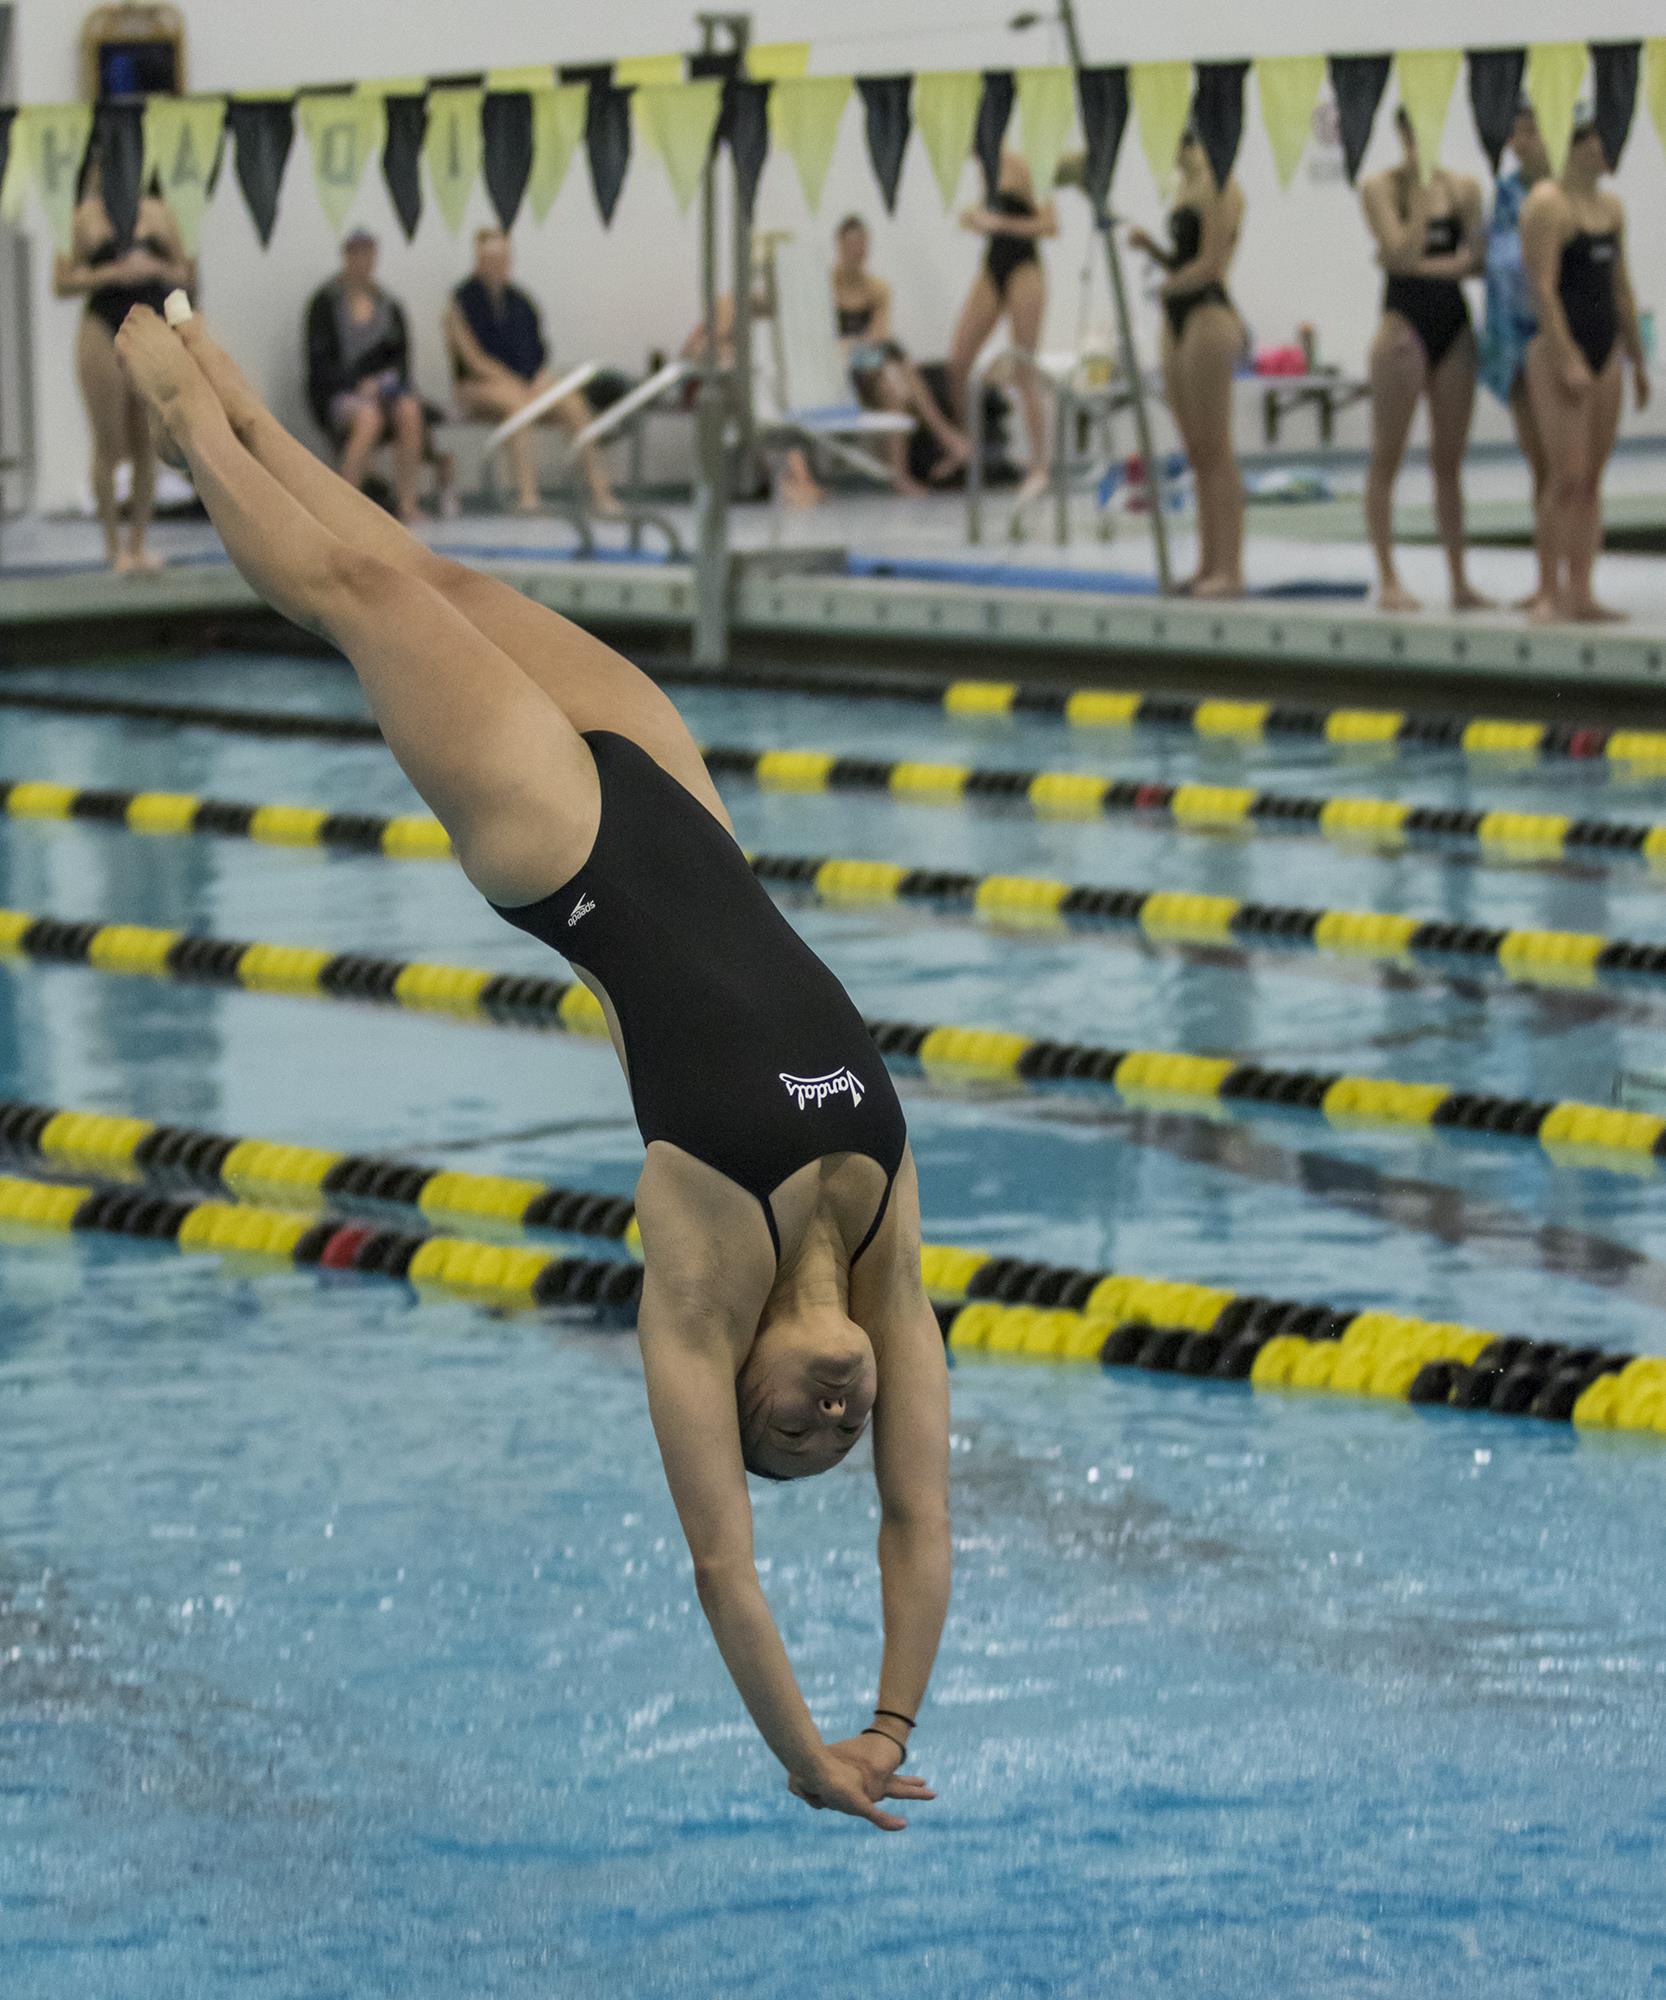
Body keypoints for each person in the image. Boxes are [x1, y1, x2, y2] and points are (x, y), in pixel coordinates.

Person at [115, 299, 951, 1832]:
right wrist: (894, 1715)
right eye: (837, 1431)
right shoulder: (888, 1255)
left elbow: (724, 1569)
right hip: (684, 805)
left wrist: (806, 1753)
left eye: (786, 1430)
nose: (828, 1417)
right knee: (432, 572)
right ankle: (236, 390)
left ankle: (180, 421)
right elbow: (918, 1520)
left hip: (560, 855)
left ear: (738, 1379)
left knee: (363, 596)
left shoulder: (697, 1280)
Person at [1521, 112, 1650, 624]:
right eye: (1601, 142)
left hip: (1606, 353)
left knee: (1592, 481)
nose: (1608, 152)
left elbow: (1622, 289)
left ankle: (1582, 591)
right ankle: (1548, 591)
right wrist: (1566, 355)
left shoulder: (1611, 208)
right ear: (1577, 147)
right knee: (1566, 478)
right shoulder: (1548, 205)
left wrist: (1637, 360)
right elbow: (1542, 288)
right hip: (1557, 353)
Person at [1360, 109, 1489, 613]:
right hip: (1402, 325)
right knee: (1386, 457)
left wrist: (1413, 262)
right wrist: (1420, 202)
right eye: (1414, 133)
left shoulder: (1464, 189)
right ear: (1402, 135)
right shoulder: (1381, 187)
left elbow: (1476, 263)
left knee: (1449, 462)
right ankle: (1388, 578)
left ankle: (1460, 580)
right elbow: (1398, 251)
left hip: (1454, 326)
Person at [52, 144, 193, 573]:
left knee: (146, 442)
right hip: (102, 326)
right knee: (109, 442)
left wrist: (151, 268)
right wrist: (111, 273)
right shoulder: (83, 218)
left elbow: (185, 274)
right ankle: (113, 545)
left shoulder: (159, 214)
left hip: (149, 322)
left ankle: (139, 543)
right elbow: (61, 281)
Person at [1128, 129, 1247, 598]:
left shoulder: (1221, 183)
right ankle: (1206, 565)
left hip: (1208, 315)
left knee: (1216, 449)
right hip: (1178, 316)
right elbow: (1184, 260)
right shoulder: (1184, 186)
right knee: (1196, 452)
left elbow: (1212, 265)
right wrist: (1154, 252)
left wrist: (1167, 286)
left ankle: (1230, 570)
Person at [444, 227, 616, 516]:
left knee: (573, 404)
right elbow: (474, 361)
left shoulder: (522, 302)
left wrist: (536, 379)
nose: (497, 266)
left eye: (502, 260)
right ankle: (528, 495)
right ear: (478, 261)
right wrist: (516, 384)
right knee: (519, 407)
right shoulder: (459, 303)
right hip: (478, 385)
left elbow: (537, 353)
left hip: (524, 382)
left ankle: (602, 493)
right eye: (490, 260)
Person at [1480, 103, 1556, 614]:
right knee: (1540, 466)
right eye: (1515, 133)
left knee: (1568, 470)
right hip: (1516, 339)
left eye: (1530, 131)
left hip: (1560, 334)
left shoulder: (1567, 194)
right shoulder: (1508, 193)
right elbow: (1503, 264)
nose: (1520, 143)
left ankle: (1569, 578)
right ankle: (1548, 578)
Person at [831, 215, 970, 496]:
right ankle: (949, 438)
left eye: (862, 245)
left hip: (871, 367)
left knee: (893, 389)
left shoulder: (877, 288)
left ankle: (900, 474)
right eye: (852, 246)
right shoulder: (827, 287)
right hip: (840, 372)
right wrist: (856, 345)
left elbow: (878, 337)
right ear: (840, 247)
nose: (858, 252)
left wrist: (856, 345)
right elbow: (832, 346)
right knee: (898, 365)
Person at [947, 151, 1057, 502]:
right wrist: (976, 220)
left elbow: (1049, 225)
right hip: (993, 263)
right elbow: (994, 219)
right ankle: (968, 449)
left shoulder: (1021, 164)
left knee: (1024, 369)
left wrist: (996, 223)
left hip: (1025, 266)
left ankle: (1040, 466)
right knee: (958, 360)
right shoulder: (987, 167)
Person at [305, 231, 432, 523]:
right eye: (357, 255)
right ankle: (343, 504)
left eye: (368, 256)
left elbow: (402, 363)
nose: (363, 262)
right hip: (340, 392)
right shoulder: (325, 304)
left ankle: (407, 502)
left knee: (409, 410)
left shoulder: (388, 306)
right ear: (347, 257)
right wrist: (356, 385)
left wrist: (383, 385)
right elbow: (319, 364)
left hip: (384, 390)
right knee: (368, 418)